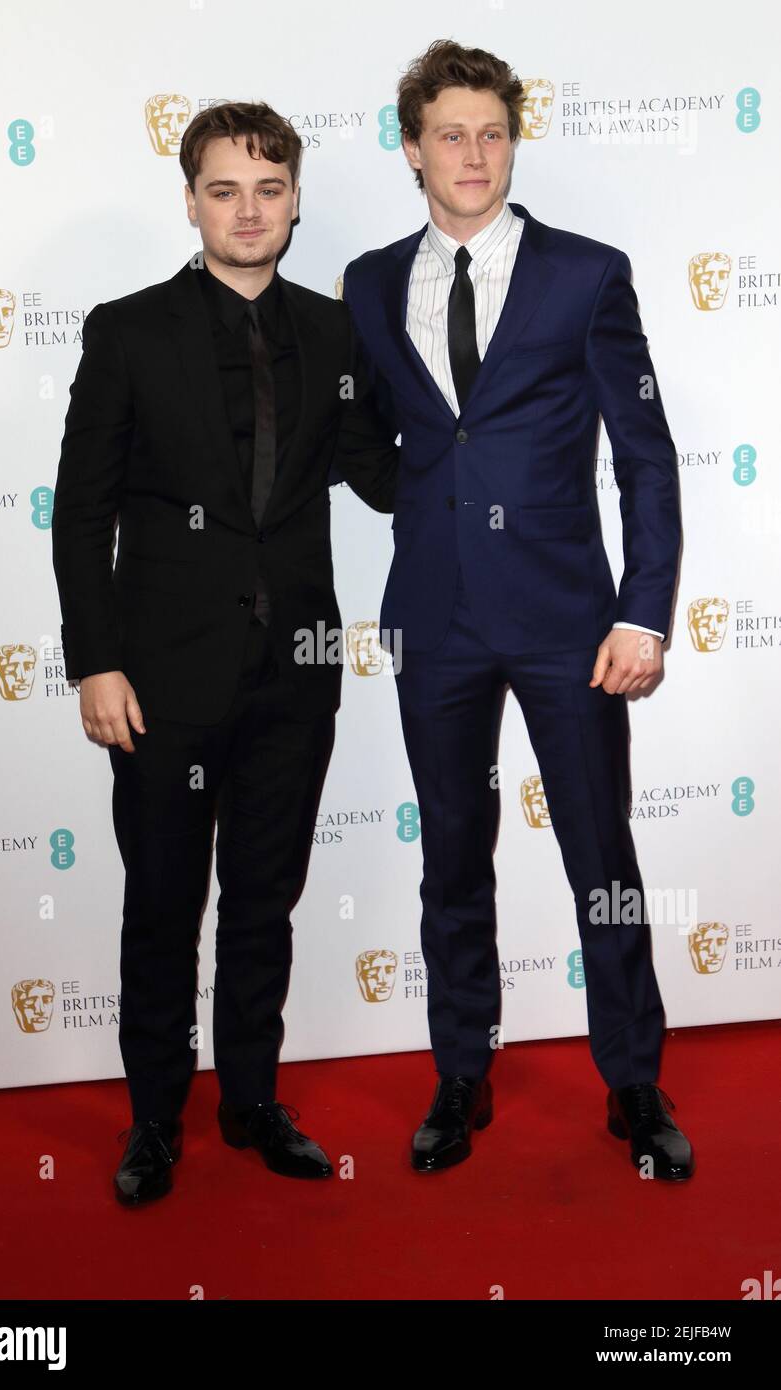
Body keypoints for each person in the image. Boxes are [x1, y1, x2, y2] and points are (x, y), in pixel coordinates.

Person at [342, 40, 693, 1179]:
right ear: (412, 149)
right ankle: (461, 1072)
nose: (473, 154)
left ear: (511, 143)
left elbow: (644, 456)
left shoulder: (585, 275)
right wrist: (423, 498)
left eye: (491, 132)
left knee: (600, 852)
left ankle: (632, 1082)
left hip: (565, 623)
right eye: (450, 134)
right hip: (432, 617)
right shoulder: (366, 283)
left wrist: (642, 614)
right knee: (451, 853)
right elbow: (377, 437)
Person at [52, 100, 399, 1205]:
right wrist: (94, 660)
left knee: (262, 899)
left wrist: (485, 430)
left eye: (268, 189)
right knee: (162, 903)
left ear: (294, 201)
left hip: (294, 672)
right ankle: (155, 1119)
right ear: (191, 202)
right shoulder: (127, 330)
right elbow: (81, 511)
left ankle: (252, 1101)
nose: (248, 211)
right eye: (224, 190)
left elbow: (381, 472)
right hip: (159, 677)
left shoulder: (336, 333)